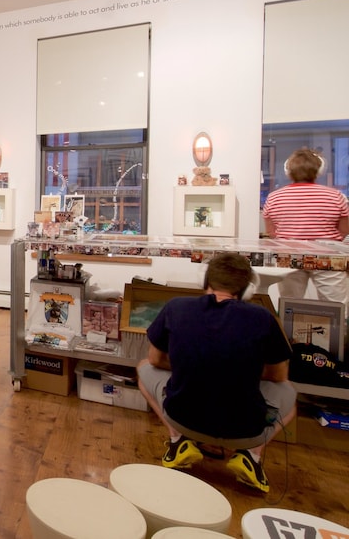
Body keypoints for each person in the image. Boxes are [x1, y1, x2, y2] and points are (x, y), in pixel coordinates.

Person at [137, 252, 296, 493]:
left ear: (205, 282)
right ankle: (252, 455)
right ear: (245, 291)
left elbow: (154, 360)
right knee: (290, 396)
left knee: (142, 369)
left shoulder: (176, 307)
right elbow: (278, 376)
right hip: (247, 431)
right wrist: (239, 368)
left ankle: (178, 439)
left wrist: (188, 363)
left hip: (182, 418)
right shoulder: (263, 317)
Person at [262, 147, 349, 305]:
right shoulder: (336, 196)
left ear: (288, 171)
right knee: (337, 308)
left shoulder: (274, 197)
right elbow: (344, 231)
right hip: (328, 257)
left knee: (289, 307)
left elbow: (272, 232)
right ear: (319, 170)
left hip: (288, 256)